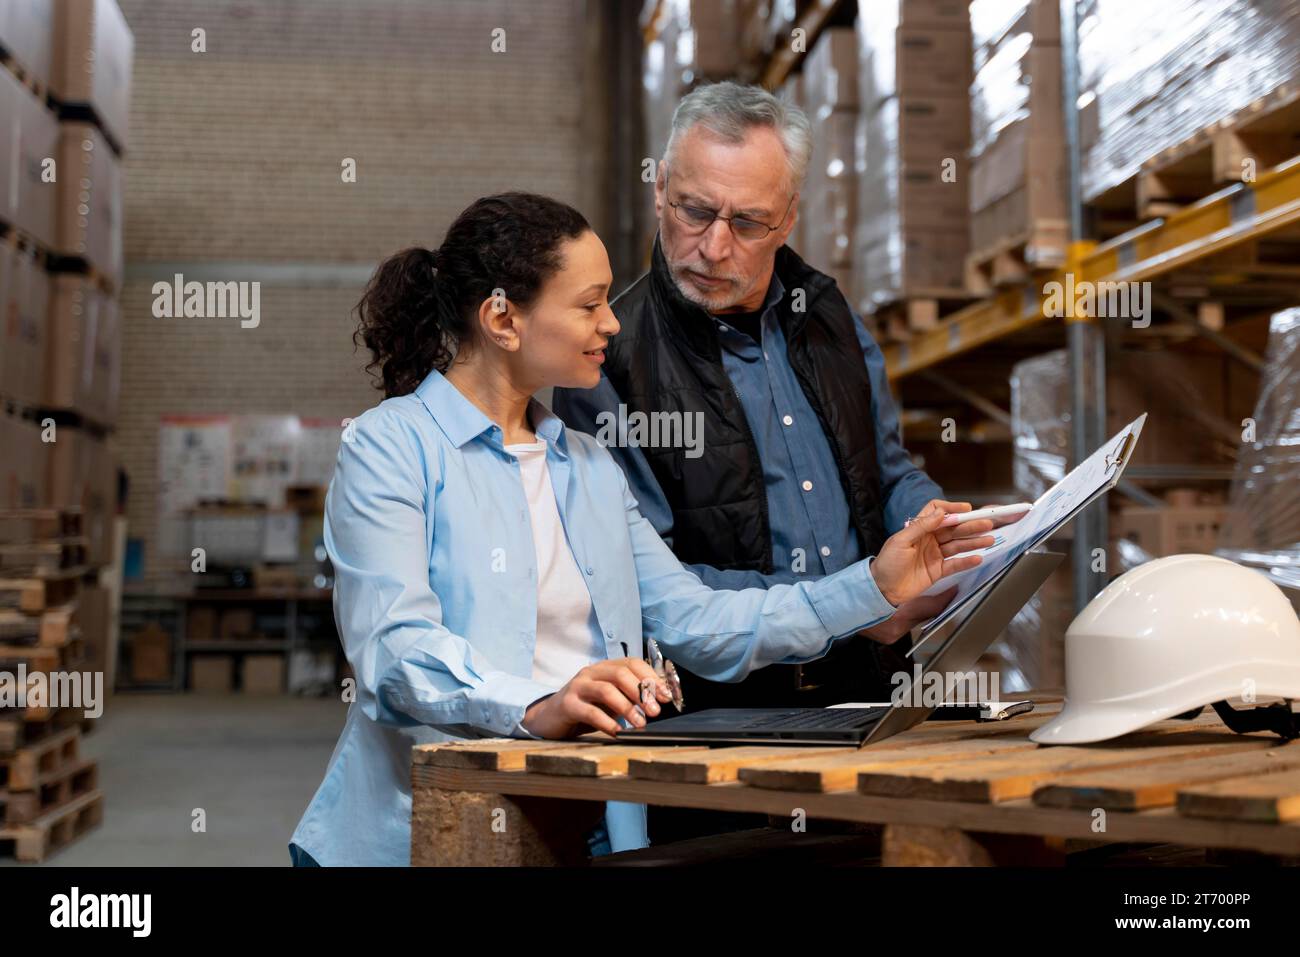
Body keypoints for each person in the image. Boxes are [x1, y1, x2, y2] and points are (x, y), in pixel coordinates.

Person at [287, 191, 993, 866]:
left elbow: (695, 617)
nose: (612, 323)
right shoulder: (390, 447)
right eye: (590, 304)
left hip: (584, 825)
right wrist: (537, 706)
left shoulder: (587, 465)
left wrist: (872, 585)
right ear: (504, 320)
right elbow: (392, 650)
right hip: (421, 834)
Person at [551, 82, 985, 843]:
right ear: (659, 191)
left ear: (789, 218)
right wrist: (863, 598)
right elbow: (656, 592)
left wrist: (930, 526)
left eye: (748, 222)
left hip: (870, 701)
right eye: (695, 210)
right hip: (721, 730)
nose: (714, 247)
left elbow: (883, 468)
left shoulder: (829, 318)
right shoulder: (610, 362)